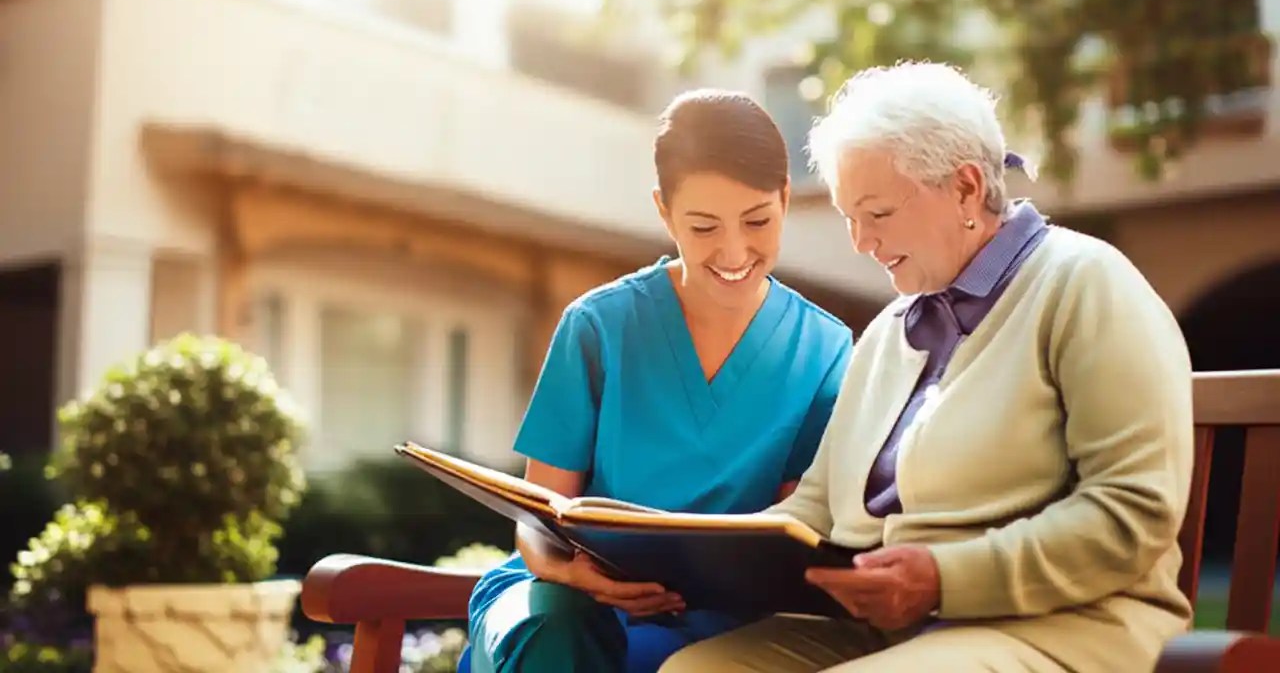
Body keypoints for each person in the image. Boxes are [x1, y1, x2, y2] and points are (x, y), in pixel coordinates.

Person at [658, 62, 1195, 672]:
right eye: (849, 218)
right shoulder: (890, 331)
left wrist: (943, 578)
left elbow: (1131, 511)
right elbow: (815, 510)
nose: (860, 241)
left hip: (1064, 625)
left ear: (965, 188)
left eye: (878, 213)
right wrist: (677, 551)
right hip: (893, 632)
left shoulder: (1085, 283)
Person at [461, 89, 856, 673]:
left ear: (787, 198)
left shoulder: (824, 350)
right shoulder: (599, 326)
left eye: (757, 221)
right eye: (703, 226)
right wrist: (572, 573)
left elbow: (790, 535)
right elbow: (540, 518)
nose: (733, 250)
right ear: (664, 211)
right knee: (557, 634)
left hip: (713, 623)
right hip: (561, 599)